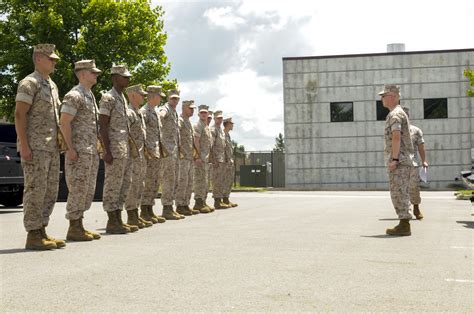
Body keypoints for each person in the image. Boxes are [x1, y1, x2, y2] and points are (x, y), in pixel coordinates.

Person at [15, 43, 66, 250]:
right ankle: (33, 234)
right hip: (35, 147)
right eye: (50, 58)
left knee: (50, 190)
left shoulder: (51, 85)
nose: (54, 62)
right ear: (38, 59)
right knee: (35, 190)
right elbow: (19, 115)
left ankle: (42, 229)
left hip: (51, 147)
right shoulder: (29, 83)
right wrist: (24, 146)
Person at [60, 59, 102, 241]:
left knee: (87, 188)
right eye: (93, 72)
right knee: (78, 188)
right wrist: (70, 148)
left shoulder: (90, 96)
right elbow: (64, 122)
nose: (96, 75)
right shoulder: (74, 95)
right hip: (78, 150)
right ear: (83, 74)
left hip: (90, 150)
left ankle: (79, 225)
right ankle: (74, 227)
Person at [98, 65, 138, 234]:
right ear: (115, 78)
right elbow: (103, 124)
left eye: (128, 77)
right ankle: (112, 220)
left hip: (124, 148)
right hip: (114, 148)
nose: (128, 80)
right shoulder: (108, 98)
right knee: (113, 184)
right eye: (124, 77)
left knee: (124, 183)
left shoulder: (121, 99)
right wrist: (106, 150)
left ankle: (118, 217)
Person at [379, 84, 415, 236]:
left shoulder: (395, 114)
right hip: (402, 160)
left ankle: (404, 224)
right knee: (401, 191)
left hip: (399, 161)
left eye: (384, 96)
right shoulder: (397, 113)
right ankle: (403, 223)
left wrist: (394, 159)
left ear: (393, 96)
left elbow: (396, 136)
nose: (381, 99)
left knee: (398, 192)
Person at [124, 84, 152, 229]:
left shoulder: (138, 113)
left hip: (140, 155)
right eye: (141, 94)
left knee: (139, 185)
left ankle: (136, 214)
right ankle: (131, 215)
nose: (144, 97)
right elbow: (125, 134)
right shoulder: (129, 112)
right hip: (132, 155)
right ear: (133, 95)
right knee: (132, 185)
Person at [139, 86, 166, 224]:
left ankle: (149, 209)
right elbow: (141, 131)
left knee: (155, 181)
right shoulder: (144, 111)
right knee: (148, 181)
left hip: (156, 151)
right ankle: (144, 210)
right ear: (153, 96)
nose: (161, 98)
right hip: (148, 151)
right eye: (159, 95)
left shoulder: (155, 111)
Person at [159, 89, 184, 220]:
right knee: (168, 180)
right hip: (168, 151)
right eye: (172, 98)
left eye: (176, 98)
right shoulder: (166, 109)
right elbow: (161, 115)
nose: (175, 100)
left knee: (174, 180)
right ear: (168, 98)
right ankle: (166, 208)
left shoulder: (174, 112)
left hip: (174, 151)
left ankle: (170, 208)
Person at [402, 107, 428, 220]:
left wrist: (424, 161)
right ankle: (404, 213)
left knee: (414, 187)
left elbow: (421, 147)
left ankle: (416, 207)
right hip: (399, 164)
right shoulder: (395, 130)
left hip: (413, 164)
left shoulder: (416, 131)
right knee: (400, 189)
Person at [175, 100, 199, 216]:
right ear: (184, 108)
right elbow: (177, 137)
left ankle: (185, 204)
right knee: (182, 181)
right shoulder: (179, 120)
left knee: (189, 182)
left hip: (189, 157)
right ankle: (180, 205)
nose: (192, 110)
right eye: (190, 108)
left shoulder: (188, 122)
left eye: (193, 108)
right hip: (182, 157)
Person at [192, 105, 213, 213]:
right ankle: (198, 203)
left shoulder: (206, 127)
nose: (204, 114)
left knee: (204, 181)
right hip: (200, 158)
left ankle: (203, 202)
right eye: (202, 113)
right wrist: (198, 156)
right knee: (199, 180)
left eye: (206, 113)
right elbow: (196, 141)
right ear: (198, 114)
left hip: (205, 158)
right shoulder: (198, 125)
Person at [210, 110, 231, 209]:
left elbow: (224, 146)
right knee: (216, 181)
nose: (220, 120)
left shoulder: (221, 131)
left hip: (222, 159)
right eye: (218, 118)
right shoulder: (213, 129)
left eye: (221, 118)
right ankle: (217, 201)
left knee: (221, 180)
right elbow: (211, 145)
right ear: (214, 119)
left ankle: (221, 200)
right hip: (216, 160)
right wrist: (213, 159)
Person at [222, 117, 238, 207]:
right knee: (224, 180)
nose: (232, 125)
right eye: (231, 123)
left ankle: (226, 198)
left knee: (229, 180)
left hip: (229, 161)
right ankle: (223, 199)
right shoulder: (223, 134)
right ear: (227, 124)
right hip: (225, 161)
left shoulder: (227, 135)